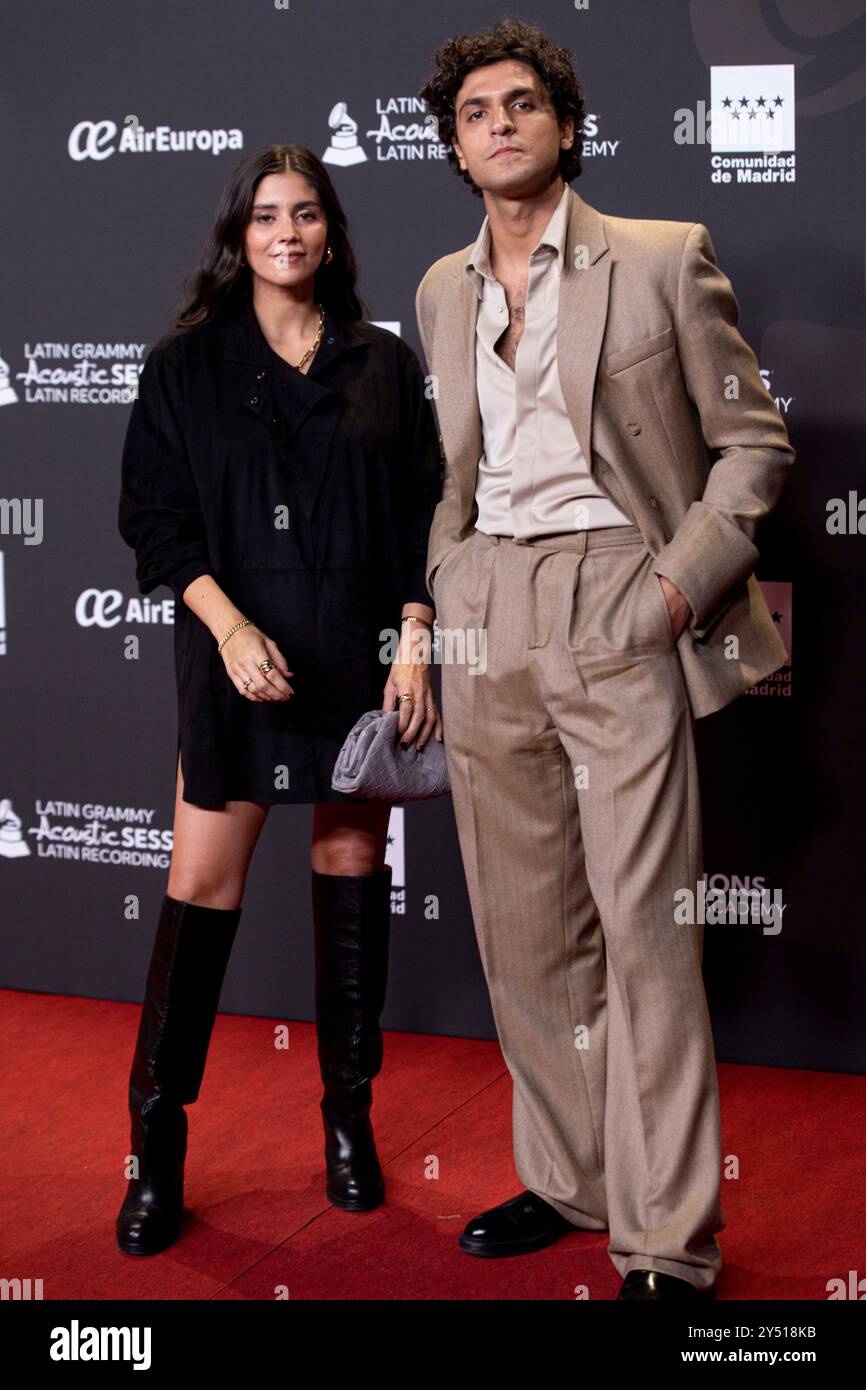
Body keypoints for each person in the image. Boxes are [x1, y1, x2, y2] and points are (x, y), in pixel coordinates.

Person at [416, 19, 793, 1299]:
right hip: (489, 610)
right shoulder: (436, 288)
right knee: (522, 934)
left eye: (524, 103)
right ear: (457, 146)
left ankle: (667, 1239)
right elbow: (454, 472)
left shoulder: (658, 258)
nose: (502, 122)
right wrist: (448, 582)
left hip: (618, 597)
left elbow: (753, 448)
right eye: (477, 111)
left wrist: (674, 589)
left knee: (642, 935)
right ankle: (570, 1178)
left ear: (564, 126)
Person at [115, 143, 442, 1256]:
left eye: (306, 213)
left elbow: (419, 521)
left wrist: (413, 643)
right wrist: (230, 625)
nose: (287, 233)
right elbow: (157, 523)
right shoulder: (185, 368)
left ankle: (348, 1124)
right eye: (265, 216)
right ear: (237, 236)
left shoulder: (381, 365)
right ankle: (156, 1149)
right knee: (200, 885)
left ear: (332, 233)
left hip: (357, 660)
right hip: (235, 659)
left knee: (350, 869)